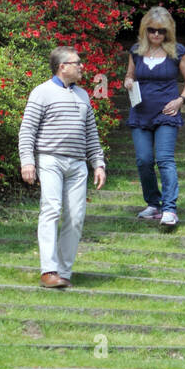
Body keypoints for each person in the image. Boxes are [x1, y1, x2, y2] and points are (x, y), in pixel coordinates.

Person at [19, 46, 107, 288]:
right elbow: (27, 130)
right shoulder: (41, 93)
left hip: (78, 164)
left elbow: (91, 134)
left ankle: (64, 273)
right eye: (76, 62)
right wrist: (27, 161)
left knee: (76, 217)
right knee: (51, 209)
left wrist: (98, 163)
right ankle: (48, 271)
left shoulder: (84, 96)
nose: (81, 66)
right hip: (50, 159)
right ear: (62, 67)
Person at [123, 7, 185, 230]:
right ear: (145, 30)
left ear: (168, 32)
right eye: (152, 30)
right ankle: (153, 203)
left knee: (164, 159)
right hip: (140, 113)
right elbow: (130, 75)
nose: (156, 35)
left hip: (167, 113)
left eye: (161, 31)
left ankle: (169, 208)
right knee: (144, 160)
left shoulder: (178, 52)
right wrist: (127, 81)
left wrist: (180, 100)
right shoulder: (136, 51)